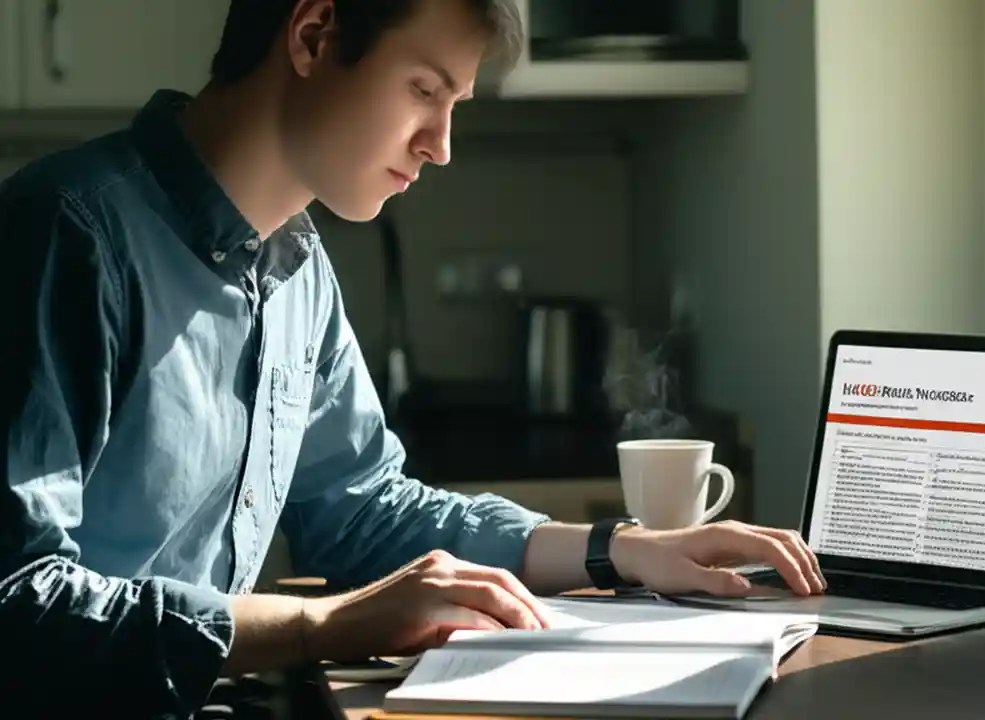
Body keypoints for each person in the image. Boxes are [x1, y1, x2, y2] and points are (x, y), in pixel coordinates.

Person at [0, 0, 826, 715]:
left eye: (454, 102)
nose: (441, 144)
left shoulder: (298, 272)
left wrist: (617, 549)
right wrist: (325, 626)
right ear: (315, 35)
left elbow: (362, 513)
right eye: (425, 90)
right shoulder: (68, 234)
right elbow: (18, 603)